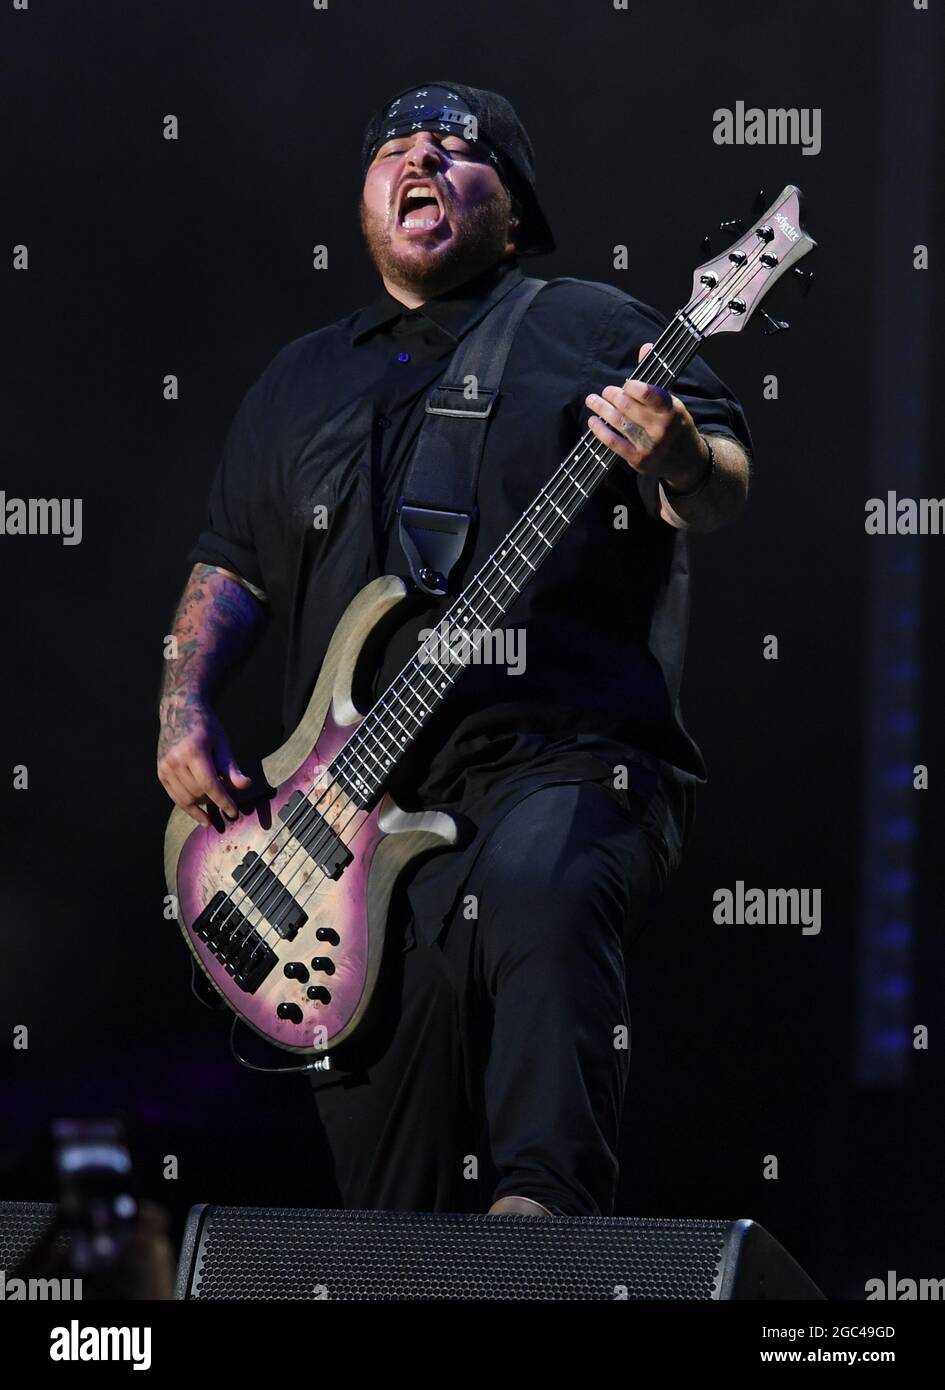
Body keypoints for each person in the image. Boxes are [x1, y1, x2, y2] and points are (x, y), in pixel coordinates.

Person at [157, 80, 753, 1219]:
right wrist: (182, 701)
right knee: (390, 1202)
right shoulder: (297, 379)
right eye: (394, 146)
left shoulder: (585, 322)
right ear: (368, 197)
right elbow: (228, 565)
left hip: (557, 754)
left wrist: (676, 454)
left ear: (515, 210)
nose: (418, 157)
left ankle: (539, 1228)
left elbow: (721, 487)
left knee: (541, 885)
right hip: (339, 824)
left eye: (456, 148)